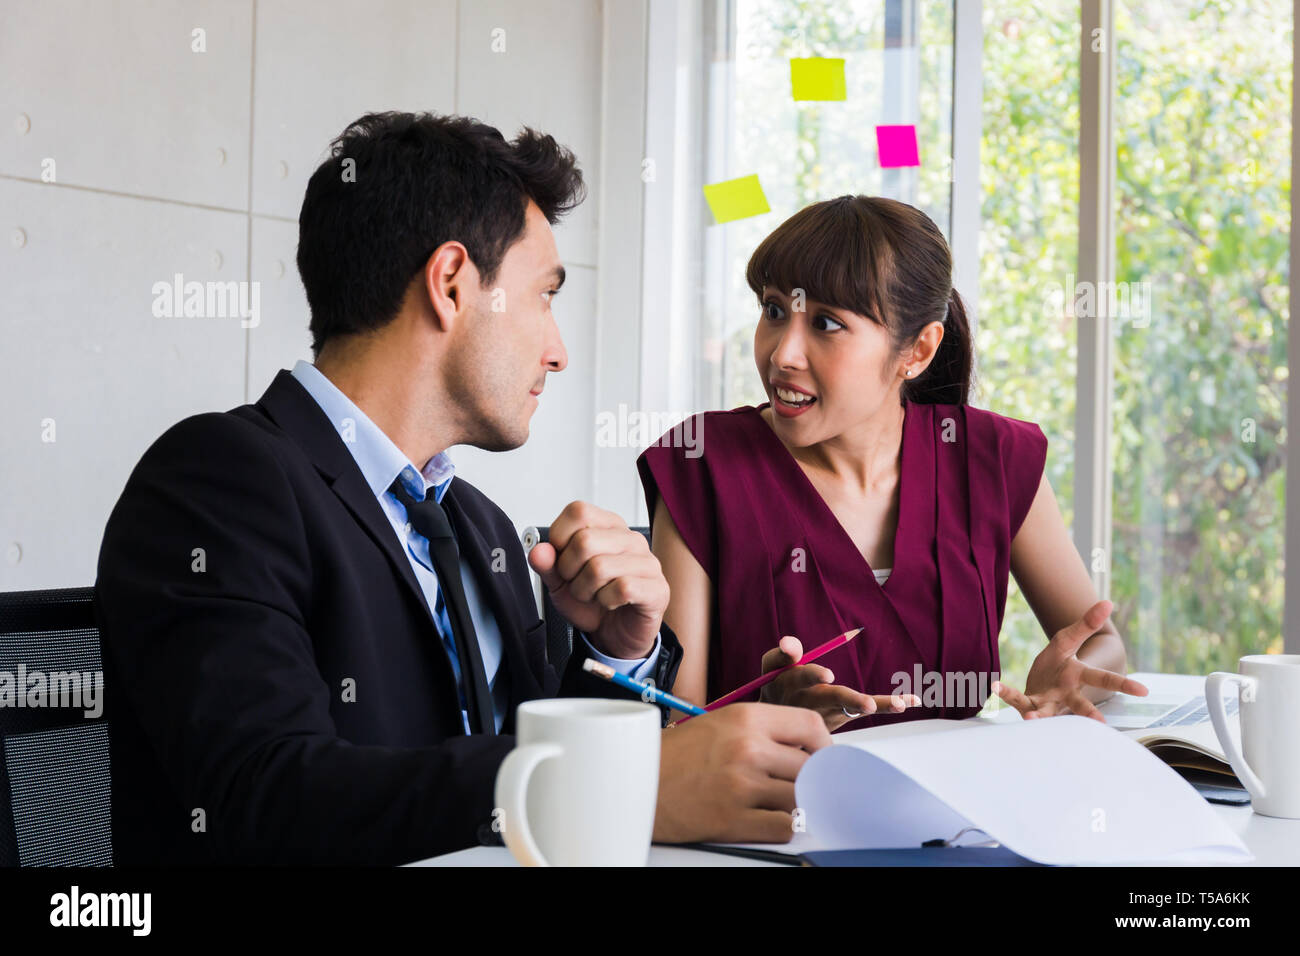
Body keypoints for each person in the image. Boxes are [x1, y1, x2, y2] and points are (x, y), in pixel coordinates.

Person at [94, 111, 830, 865]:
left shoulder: (474, 525)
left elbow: (515, 764)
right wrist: (618, 784)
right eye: (545, 295)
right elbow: (263, 796)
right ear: (450, 283)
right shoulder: (219, 479)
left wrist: (618, 653)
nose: (559, 351)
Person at [638, 195, 1148, 732]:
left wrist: (1073, 678)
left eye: (827, 324)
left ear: (919, 350)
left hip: (956, 810)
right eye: (773, 311)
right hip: (775, 812)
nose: (782, 354)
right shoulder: (701, 464)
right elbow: (679, 733)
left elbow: (1096, 638)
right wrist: (767, 720)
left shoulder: (991, 457)